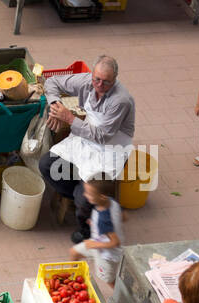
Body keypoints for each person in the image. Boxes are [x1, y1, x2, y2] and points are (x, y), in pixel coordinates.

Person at [39, 56, 136, 236]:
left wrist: (68, 118)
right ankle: (78, 192)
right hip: (84, 138)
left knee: (85, 197)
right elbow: (52, 82)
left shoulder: (120, 100)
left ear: (115, 79)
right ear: (92, 75)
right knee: (46, 165)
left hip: (110, 148)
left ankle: (85, 229)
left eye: (106, 82)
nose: (99, 85)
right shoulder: (86, 81)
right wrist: (55, 105)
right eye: (96, 79)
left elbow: (102, 136)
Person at [68, 178, 124, 287]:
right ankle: (71, 280)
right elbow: (123, 216)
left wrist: (94, 244)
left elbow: (114, 242)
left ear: (102, 197)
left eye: (89, 194)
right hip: (98, 242)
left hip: (107, 255)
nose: (85, 195)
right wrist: (95, 224)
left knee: (109, 281)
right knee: (74, 252)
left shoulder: (103, 221)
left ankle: (121, 297)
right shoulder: (112, 202)